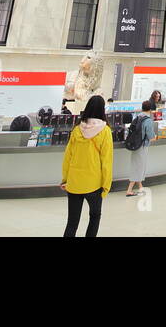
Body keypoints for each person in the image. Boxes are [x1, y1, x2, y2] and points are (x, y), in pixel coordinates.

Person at [60, 95, 112, 237]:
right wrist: (106, 185)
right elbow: (107, 161)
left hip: (75, 182)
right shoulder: (105, 131)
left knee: (72, 223)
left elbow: (68, 157)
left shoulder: (77, 130)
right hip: (94, 184)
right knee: (95, 217)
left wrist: (65, 179)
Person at [125, 99, 158, 197]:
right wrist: (155, 137)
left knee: (138, 165)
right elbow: (151, 136)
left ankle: (140, 187)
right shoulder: (148, 120)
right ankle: (129, 190)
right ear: (150, 109)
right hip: (142, 146)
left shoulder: (137, 117)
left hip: (135, 144)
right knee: (138, 167)